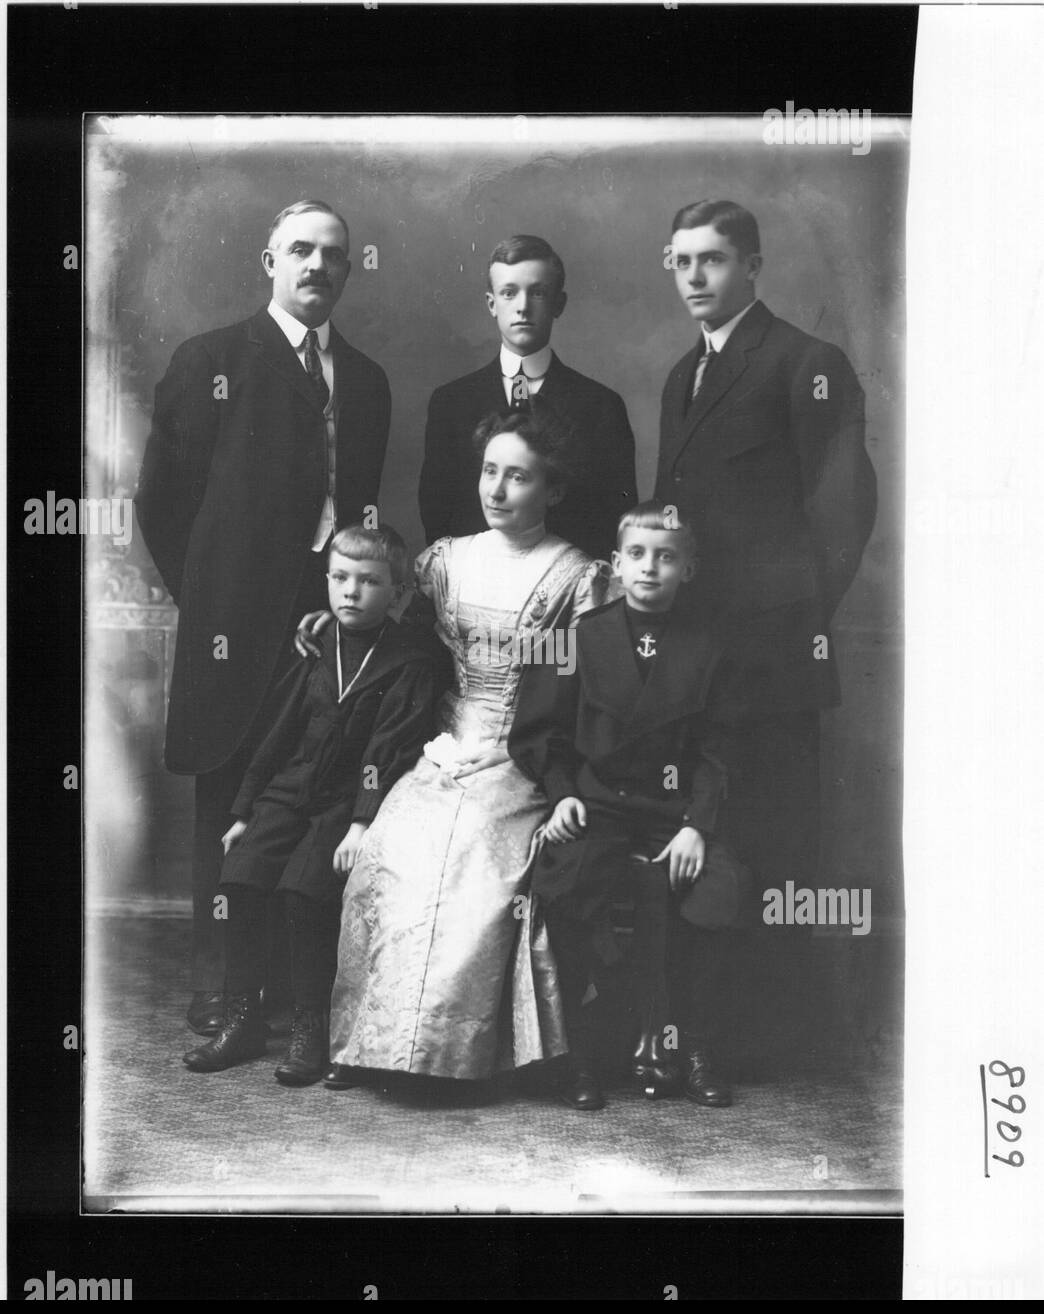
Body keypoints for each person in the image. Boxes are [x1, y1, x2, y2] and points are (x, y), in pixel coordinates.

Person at [135, 199, 391, 1036]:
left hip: (330, 628)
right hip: (233, 630)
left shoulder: (366, 380)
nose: (318, 266)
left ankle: (291, 990)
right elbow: (164, 505)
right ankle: (224, 986)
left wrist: (330, 603)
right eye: (302, 252)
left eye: (334, 256)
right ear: (269, 261)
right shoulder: (213, 360)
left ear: (348, 272)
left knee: (311, 793)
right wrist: (217, 597)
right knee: (229, 803)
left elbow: (358, 515)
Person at [324, 403, 609, 1088]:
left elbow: (582, 694)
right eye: (489, 472)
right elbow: (396, 646)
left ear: (554, 491)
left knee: (478, 864)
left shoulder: (576, 576)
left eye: (518, 477)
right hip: (444, 744)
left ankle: (462, 1057)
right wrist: (327, 626)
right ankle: (374, 1044)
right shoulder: (444, 562)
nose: (497, 490)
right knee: (393, 845)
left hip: (527, 756)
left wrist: (518, 752)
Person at [656, 198, 878, 1060]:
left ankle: (778, 1036)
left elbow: (843, 515)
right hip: (699, 659)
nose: (695, 279)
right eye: (681, 262)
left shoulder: (805, 363)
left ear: (752, 265)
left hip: (776, 659)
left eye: (712, 260)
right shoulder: (686, 375)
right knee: (711, 836)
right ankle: (708, 1028)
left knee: (778, 841)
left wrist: (792, 626)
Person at [182, 525, 443, 1085]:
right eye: (341, 578)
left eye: (370, 582)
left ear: (397, 592)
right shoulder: (317, 645)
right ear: (326, 581)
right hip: (290, 789)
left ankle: (311, 1027)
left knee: (304, 893)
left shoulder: (408, 659)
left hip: (344, 803)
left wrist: (359, 823)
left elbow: (388, 748)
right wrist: (245, 810)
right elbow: (279, 734)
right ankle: (242, 1017)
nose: (352, 592)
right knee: (241, 878)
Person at [510, 503, 745, 1110]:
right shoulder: (579, 640)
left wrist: (697, 826)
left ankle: (694, 1049)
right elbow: (541, 735)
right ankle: (585, 1055)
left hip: (675, 813)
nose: (650, 568)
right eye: (637, 555)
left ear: (687, 570)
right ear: (616, 564)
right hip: (601, 806)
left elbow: (719, 750)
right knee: (569, 890)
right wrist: (561, 796)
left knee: (715, 895)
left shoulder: (712, 643)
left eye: (666, 557)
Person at [418, 233, 637, 560]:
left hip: (566, 587)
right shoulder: (451, 402)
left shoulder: (600, 406)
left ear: (558, 304)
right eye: (509, 293)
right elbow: (437, 510)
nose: (522, 306)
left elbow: (614, 516)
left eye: (537, 292)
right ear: (492, 304)